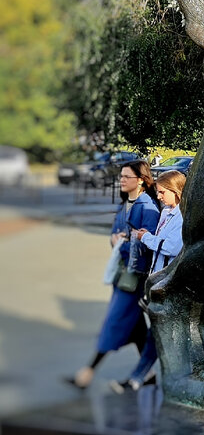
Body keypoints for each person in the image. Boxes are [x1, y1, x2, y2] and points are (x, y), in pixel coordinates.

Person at [68, 160, 160, 388]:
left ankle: (86, 374)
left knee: (113, 322)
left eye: (126, 177)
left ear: (140, 180)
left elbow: (148, 245)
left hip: (134, 278)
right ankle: (147, 375)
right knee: (136, 328)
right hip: (122, 275)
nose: (121, 180)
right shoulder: (125, 204)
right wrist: (115, 240)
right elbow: (115, 232)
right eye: (121, 176)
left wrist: (125, 243)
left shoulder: (147, 207)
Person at [111, 169, 186, 392]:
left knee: (157, 336)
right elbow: (161, 240)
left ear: (176, 191)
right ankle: (150, 377)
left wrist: (147, 238)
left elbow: (173, 247)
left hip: (170, 284)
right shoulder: (166, 212)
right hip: (156, 281)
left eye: (163, 192)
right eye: (158, 192)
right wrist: (148, 236)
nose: (159, 196)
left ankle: (137, 379)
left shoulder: (183, 216)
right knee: (159, 336)